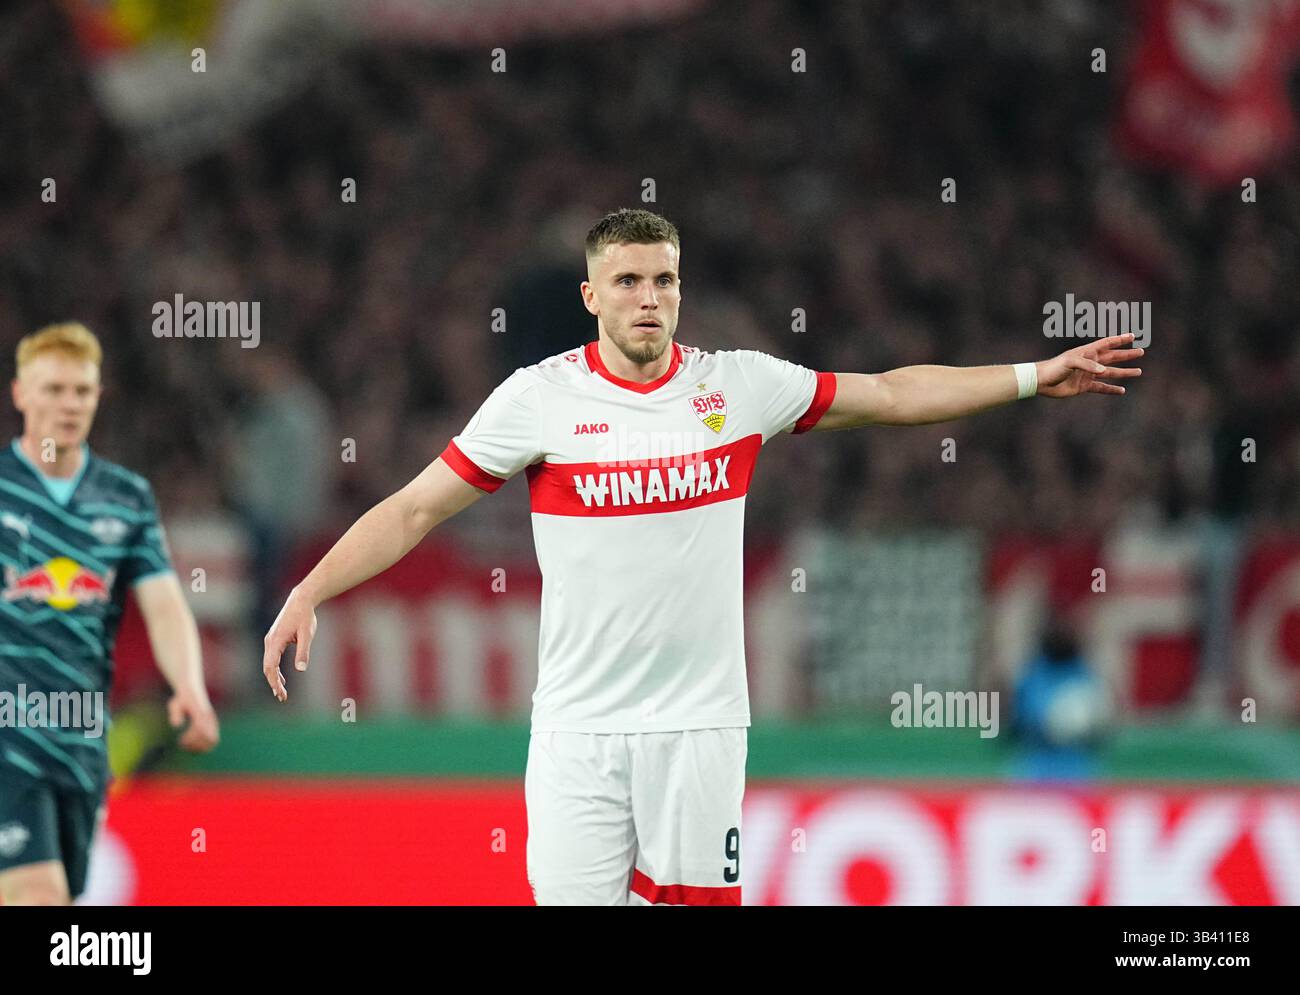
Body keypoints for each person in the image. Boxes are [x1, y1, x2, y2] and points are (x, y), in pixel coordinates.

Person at [262, 208, 1143, 905]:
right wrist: (310, 587)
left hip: (698, 728)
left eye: (665, 280)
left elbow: (890, 393)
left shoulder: (737, 386)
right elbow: (416, 506)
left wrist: (1031, 375)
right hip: (577, 731)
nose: (650, 297)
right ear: (591, 296)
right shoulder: (539, 401)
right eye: (629, 280)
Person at [0, 323, 220, 905]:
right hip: (7, 731)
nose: (68, 405)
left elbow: (165, 603)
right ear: (21, 393)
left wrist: (188, 685)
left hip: (80, 741)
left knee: (54, 898)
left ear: (98, 395)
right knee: (35, 893)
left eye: (81, 390)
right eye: (53, 390)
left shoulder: (125, 498)